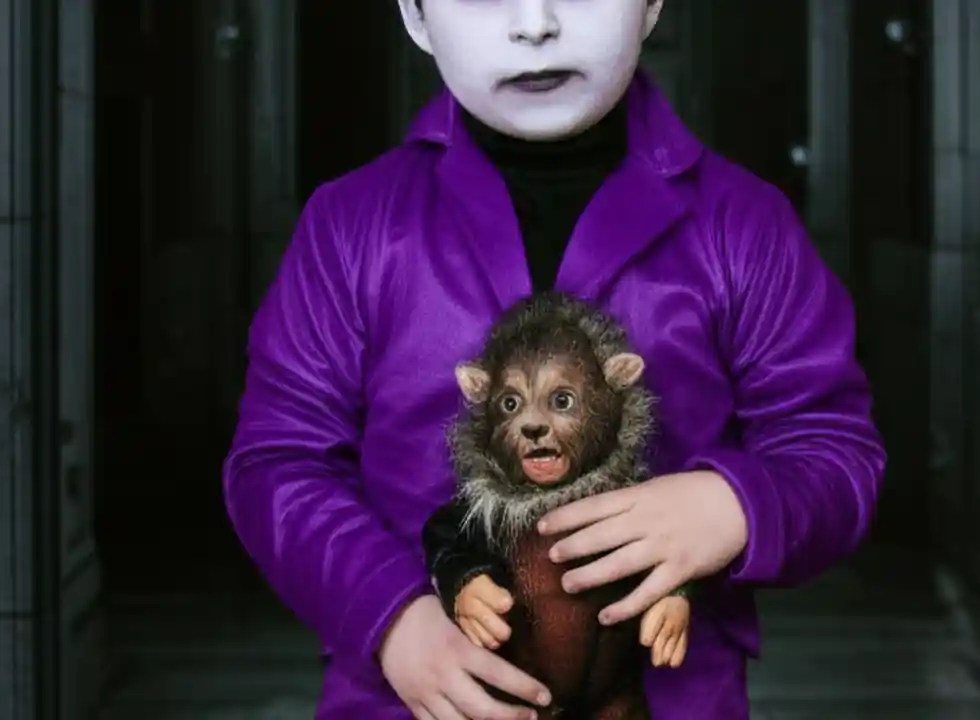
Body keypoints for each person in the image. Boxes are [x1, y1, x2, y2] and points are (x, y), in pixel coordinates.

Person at [222, 1, 886, 718]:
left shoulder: (743, 225)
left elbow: (835, 450)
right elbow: (279, 462)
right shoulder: (350, 226)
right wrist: (391, 618)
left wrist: (735, 506)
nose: (535, 22)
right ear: (414, 14)